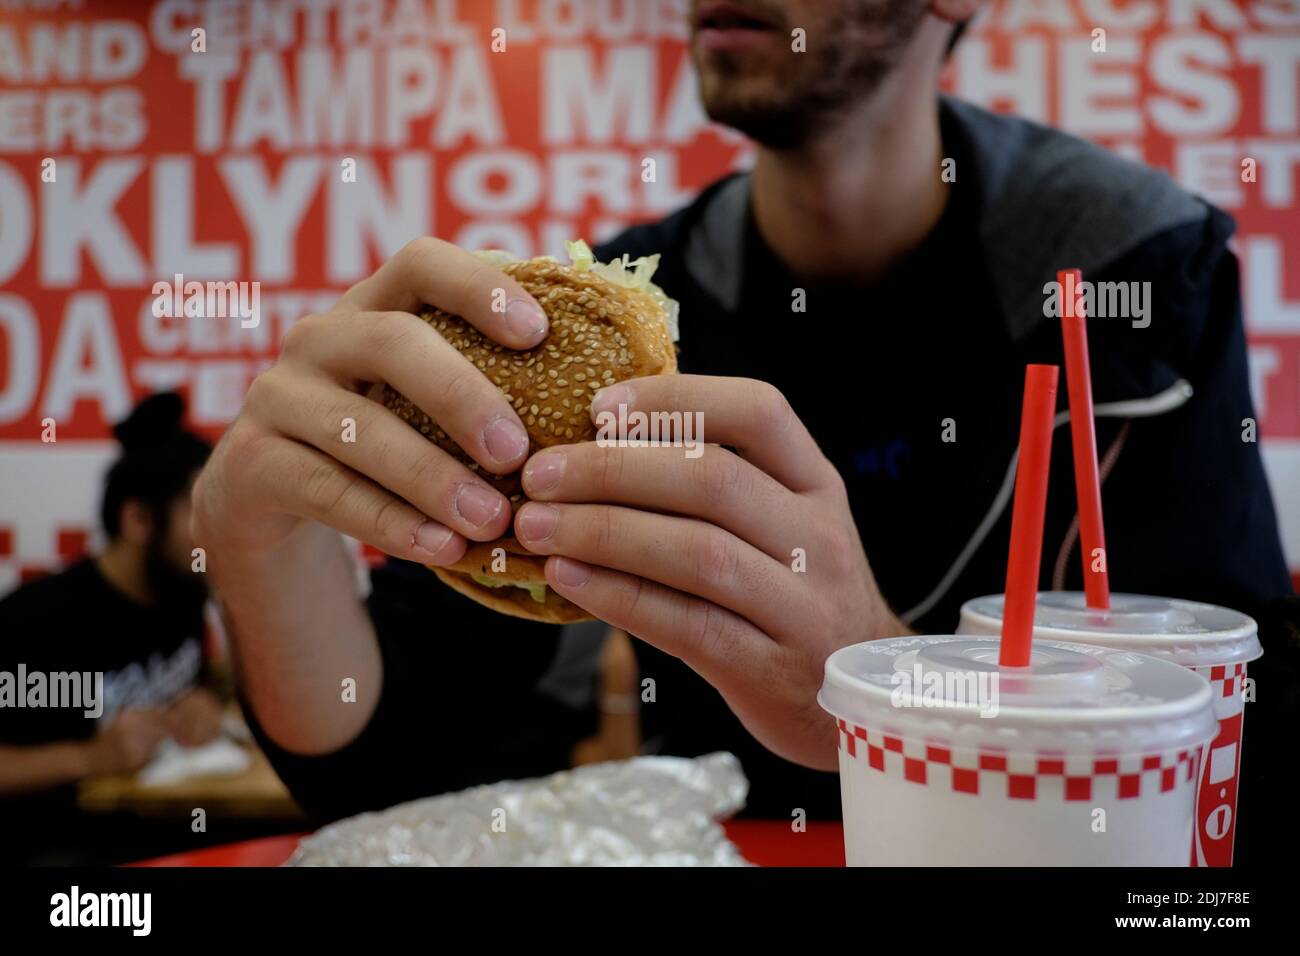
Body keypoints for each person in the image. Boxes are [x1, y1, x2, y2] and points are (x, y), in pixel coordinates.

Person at [190, 0, 1295, 861]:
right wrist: (259, 541)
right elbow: (385, 756)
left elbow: (1223, 757)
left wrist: (884, 698)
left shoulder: (1139, 273)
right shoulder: (619, 314)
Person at [0, 392, 222, 863]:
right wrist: (88, 759)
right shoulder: (35, 621)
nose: (214, 531)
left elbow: (199, 677)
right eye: (198, 511)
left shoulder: (184, 590)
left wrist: (202, 700)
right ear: (138, 519)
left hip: (161, 831)